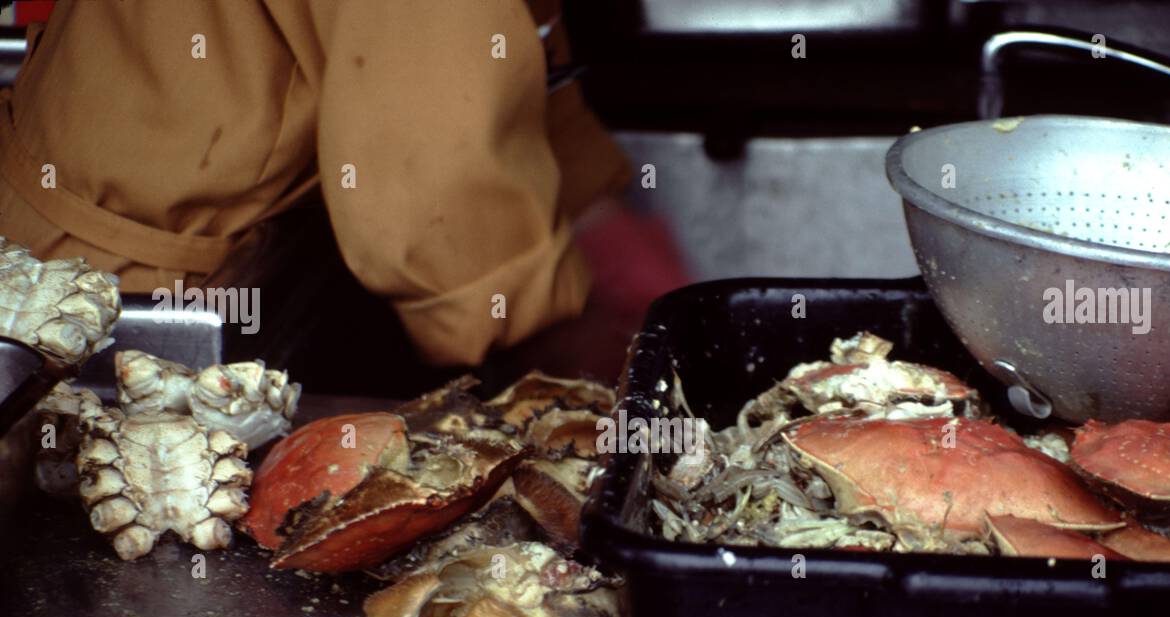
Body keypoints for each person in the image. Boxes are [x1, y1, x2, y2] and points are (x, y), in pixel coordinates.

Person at [0, 0, 687, 380]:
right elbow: (437, 187)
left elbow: (507, 32)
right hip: (105, 297)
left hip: (214, 252)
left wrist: (594, 208)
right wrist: (566, 348)